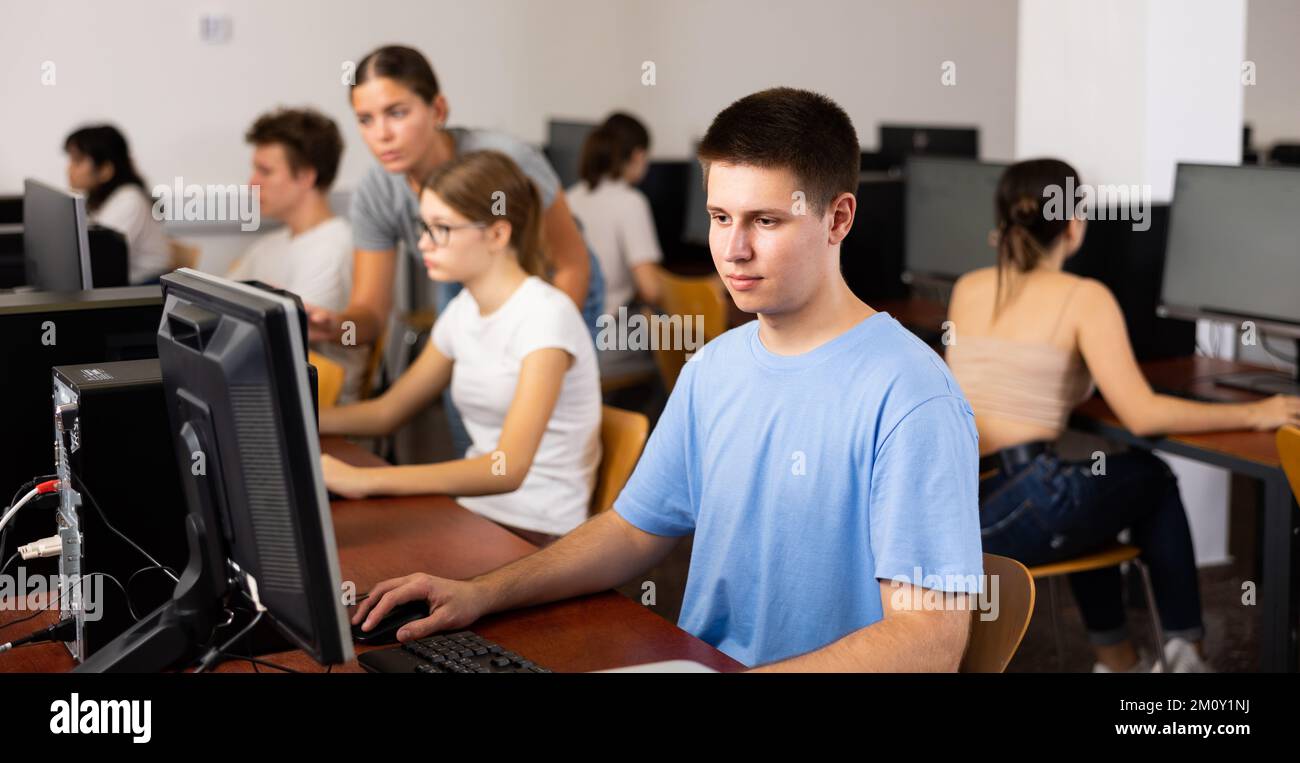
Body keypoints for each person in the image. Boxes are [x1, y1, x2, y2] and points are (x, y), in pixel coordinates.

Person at [350, 88, 984, 671]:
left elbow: (930, 639)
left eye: (765, 221)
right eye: (719, 216)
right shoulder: (716, 367)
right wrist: (480, 594)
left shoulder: (910, 394)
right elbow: (632, 529)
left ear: (837, 219)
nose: (732, 250)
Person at [945, 158, 1300, 672]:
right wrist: (1257, 412)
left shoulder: (969, 287)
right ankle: (1185, 654)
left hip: (968, 503)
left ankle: (1118, 662)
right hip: (1027, 503)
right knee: (1149, 477)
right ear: (1074, 224)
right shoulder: (1085, 298)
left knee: (1094, 488)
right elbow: (1142, 416)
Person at [313, 44, 603, 454]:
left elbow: (570, 262)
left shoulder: (508, 160)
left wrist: (542, 337)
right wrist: (336, 326)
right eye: (365, 119)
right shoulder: (378, 191)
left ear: (438, 110)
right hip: (467, 284)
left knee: (544, 421)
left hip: (555, 279)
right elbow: (371, 314)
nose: (381, 134)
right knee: (467, 412)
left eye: (397, 112)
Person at [319, 151, 601, 545]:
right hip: (478, 513)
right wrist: (290, 416)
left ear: (497, 234)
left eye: (441, 228)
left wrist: (365, 479)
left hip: (538, 530)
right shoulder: (463, 310)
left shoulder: (545, 316)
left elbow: (508, 470)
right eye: (423, 226)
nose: (423, 243)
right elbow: (387, 412)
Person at [226, 107, 365, 402]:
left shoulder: (334, 247)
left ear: (305, 177)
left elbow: (285, 338)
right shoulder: (269, 244)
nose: (252, 183)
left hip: (312, 405)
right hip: (265, 386)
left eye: (265, 171)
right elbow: (218, 306)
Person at [566, 112, 666, 379]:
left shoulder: (569, 198)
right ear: (637, 155)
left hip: (569, 334)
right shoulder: (630, 202)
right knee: (681, 351)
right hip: (606, 337)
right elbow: (651, 290)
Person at [64, 125, 170, 284]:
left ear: (105, 170)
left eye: (77, 161)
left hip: (147, 290)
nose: (69, 169)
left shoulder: (130, 200)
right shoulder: (98, 199)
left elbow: (100, 256)